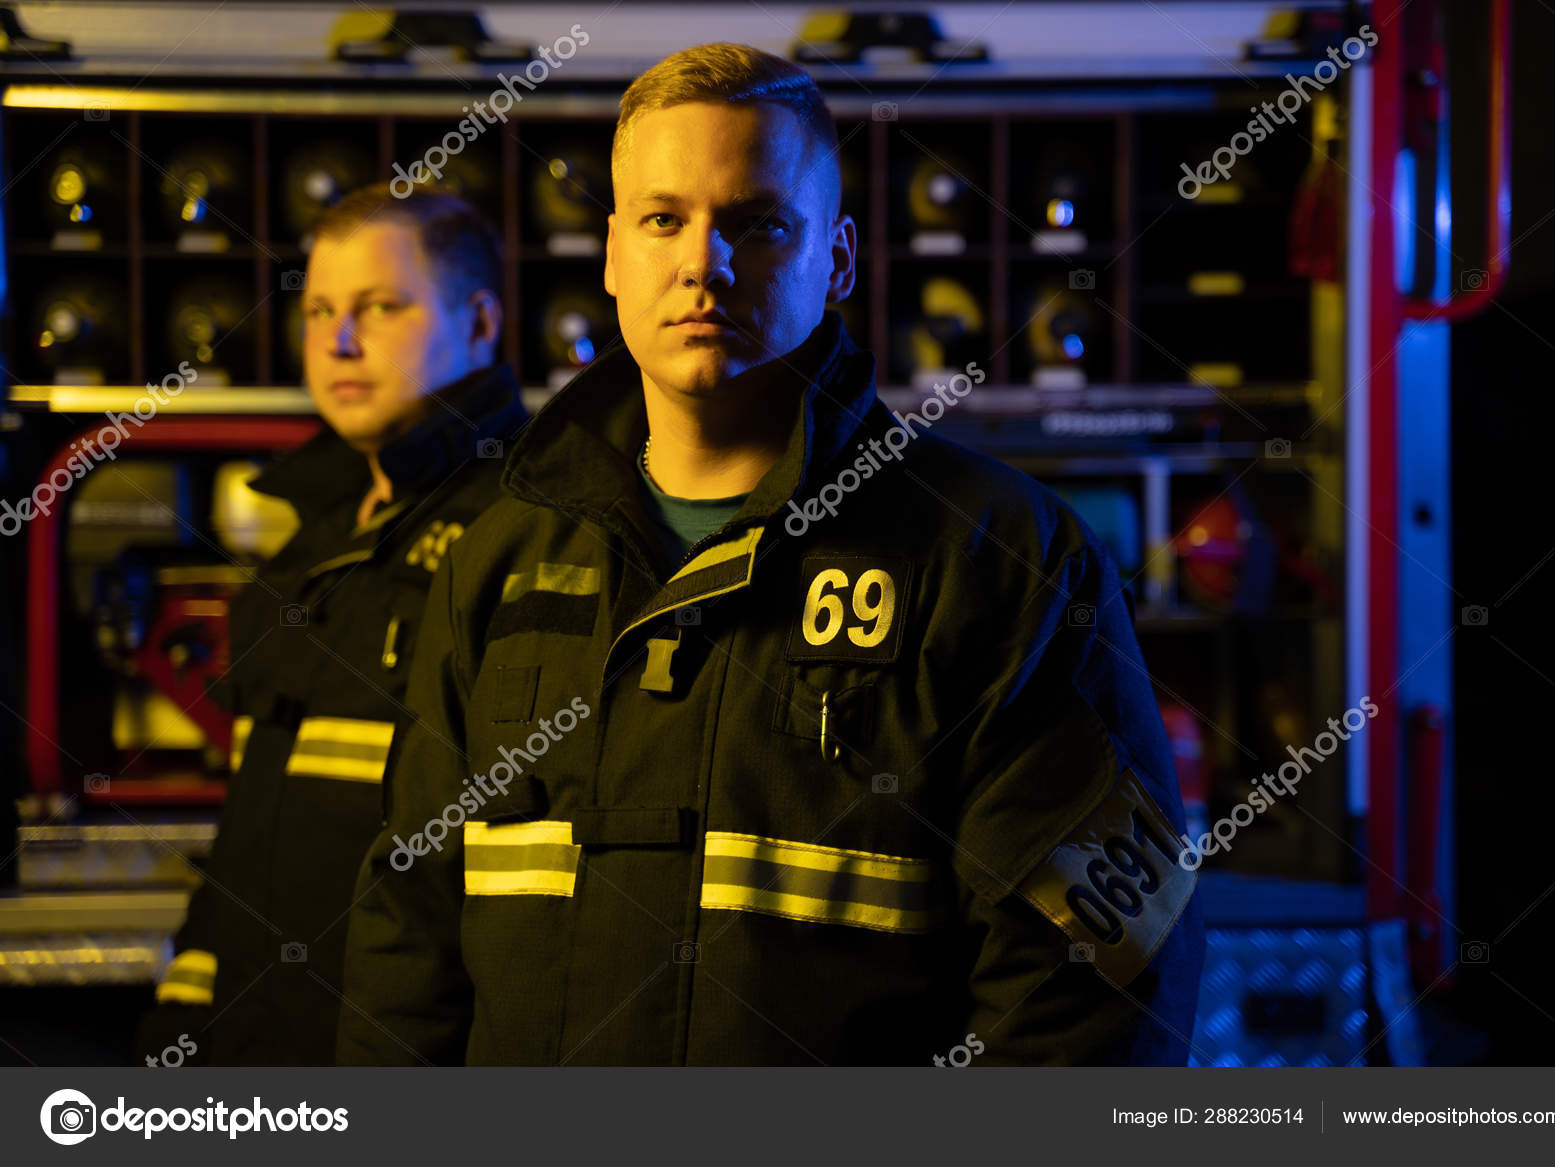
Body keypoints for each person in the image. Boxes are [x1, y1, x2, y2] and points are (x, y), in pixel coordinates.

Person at [338, 43, 1202, 1067]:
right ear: (613, 255)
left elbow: (1092, 986)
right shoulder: (499, 562)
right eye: (664, 220)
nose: (704, 262)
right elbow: (408, 951)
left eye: (755, 222)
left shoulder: (998, 560)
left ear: (835, 258)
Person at [137, 183, 528, 1065]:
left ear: (479, 322)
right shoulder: (315, 538)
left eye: (379, 307)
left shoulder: (526, 529)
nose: (340, 341)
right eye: (318, 310)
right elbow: (248, 835)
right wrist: (183, 1023)